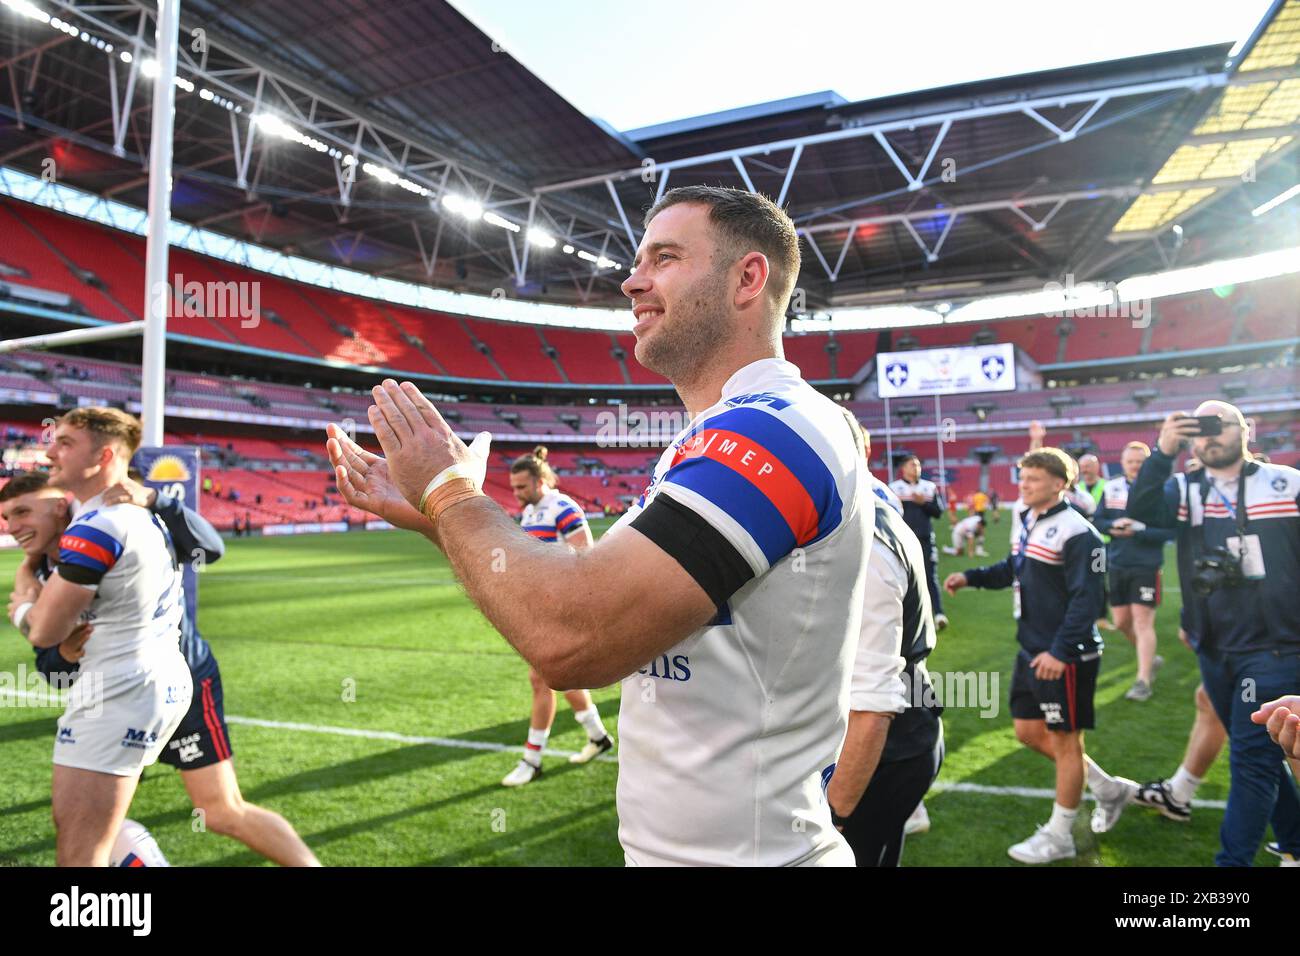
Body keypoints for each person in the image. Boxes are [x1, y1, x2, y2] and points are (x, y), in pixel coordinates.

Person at [326, 185, 874, 866]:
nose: (631, 279)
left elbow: (573, 636)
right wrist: (437, 517)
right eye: (638, 259)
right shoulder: (716, 437)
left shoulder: (774, 429)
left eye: (665, 258)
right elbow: (572, 595)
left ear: (748, 278)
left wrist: (450, 491)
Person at [4, 470, 321, 866]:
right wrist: (63, 652)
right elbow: (52, 670)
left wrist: (157, 500)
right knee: (92, 824)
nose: (14, 526)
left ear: (58, 506)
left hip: (179, 681)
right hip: (113, 696)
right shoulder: (38, 575)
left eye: (22, 512)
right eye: (7, 517)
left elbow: (210, 548)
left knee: (220, 811)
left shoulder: (125, 527)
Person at [5, 408, 192, 867]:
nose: (50, 451)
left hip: (120, 690)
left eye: (66, 442)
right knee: (86, 830)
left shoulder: (101, 524)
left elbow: (46, 629)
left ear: (104, 455)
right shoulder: (132, 516)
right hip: (146, 681)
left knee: (80, 852)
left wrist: (23, 607)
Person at [1126, 401, 1300, 867]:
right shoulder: (1185, 489)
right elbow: (1140, 507)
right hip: (1215, 647)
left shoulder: (1285, 483)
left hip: (1276, 648)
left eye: (1218, 426)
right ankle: (1296, 847)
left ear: (1245, 430)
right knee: (1259, 751)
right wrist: (1163, 451)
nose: (1209, 437)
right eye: (1198, 430)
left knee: (1251, 759)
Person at [944, 447, 1130, 862]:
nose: (1022, 485)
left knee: (1066, 741)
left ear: (1059, 483)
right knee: (1028, 732)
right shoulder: (1029, 519)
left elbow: (1088, 601)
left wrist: (1061, 652)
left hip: (1063, 655)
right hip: (1030, 647)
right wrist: (971, 576)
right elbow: (1017, 566)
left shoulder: (1080, 533)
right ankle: (1108, 788)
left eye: (1032, 479)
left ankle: (1062, 836)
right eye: (1022, 476)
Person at [826, 448, 942, 867]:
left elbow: (873, 703)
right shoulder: (877, 504)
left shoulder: (862, 530)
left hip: (888, 742)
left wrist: (834, 812)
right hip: (908, 722)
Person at [500, 446, 614, 787]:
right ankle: (598, 737)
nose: (516, 494)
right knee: (560, 678)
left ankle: (532, 760)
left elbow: (586, 558)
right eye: (514, 487)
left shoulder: (562, 507)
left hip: (564, 608)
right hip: (542, 608)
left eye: (522, 487)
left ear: (539, 481)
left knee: (542, 679)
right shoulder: (532, 513)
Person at [1092, 441, 1175, 701]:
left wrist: (1140, 530)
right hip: (1117, 562)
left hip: (1146, 564)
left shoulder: (1161, 490)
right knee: (1121, 623)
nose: (1135, 466)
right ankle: (1150, 658)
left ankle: (1142, 681)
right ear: (1123, 462)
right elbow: (1098, 521)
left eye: (1140, 462)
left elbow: (1171, 531)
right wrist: (1113, 525)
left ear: (1148, 464)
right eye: (1131, 461)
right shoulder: (1112, 486)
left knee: (1142, 621)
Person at [890, 456, 949, 630]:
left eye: (918, 464)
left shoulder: (929, 487)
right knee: (902, 578)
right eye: (912, 464)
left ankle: (938, 614)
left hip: (925, 539)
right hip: (902, 541)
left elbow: (938, 512)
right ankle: (907, 618)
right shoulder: (894, 488)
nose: (916, 467)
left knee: (931, 577)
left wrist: (923, 503)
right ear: (903, 468)